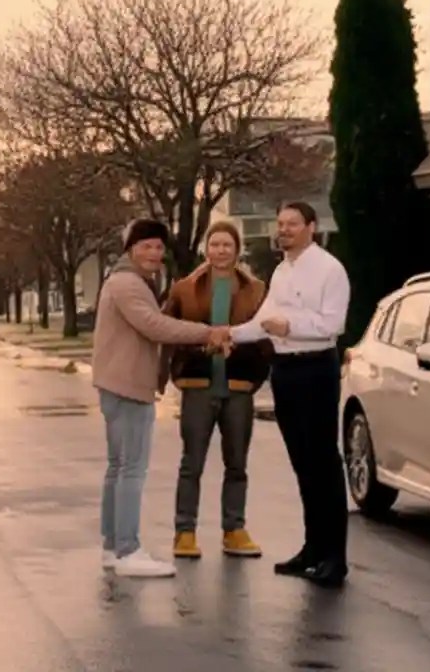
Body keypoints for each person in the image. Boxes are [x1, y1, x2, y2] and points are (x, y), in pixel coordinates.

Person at [92, 219, 232, 578]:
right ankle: (127, 549)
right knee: (131, 468)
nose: (154, 253)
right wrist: (209, 332)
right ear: (130, 249)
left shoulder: (131, 280)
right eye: (146, 246)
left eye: (158, 247)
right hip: (126, 385)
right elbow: (154, 325)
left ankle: (113, 546)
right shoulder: (127, 283)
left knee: (118, 467)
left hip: (119, 382)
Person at [230, 201, 351, 587]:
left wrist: (289, 325)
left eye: (293, 224)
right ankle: (312, 549)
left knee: (323, 464)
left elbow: (333, 324)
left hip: (316, 369)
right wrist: (224, 335)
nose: (284, 230)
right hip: (285, 372)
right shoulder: (281, 271)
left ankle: (335, 558)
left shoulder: (330, 269)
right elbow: (261, 322)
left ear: (311, 227)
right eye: (280, 223)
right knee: (302, 464)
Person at [160, 220, 272, 560]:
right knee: (191, 462)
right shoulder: (183, 289)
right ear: (206, 249)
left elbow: (266, 337)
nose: (221, 250)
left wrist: (254, 373)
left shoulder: (256, 289)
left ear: (237, 250)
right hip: (198, 386)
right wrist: (191, 358)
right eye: (215, 244)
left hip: (239, 388)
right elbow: (169, 332)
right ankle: (184, 532)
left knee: (237, 463)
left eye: (227, 245)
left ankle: (234, 530)